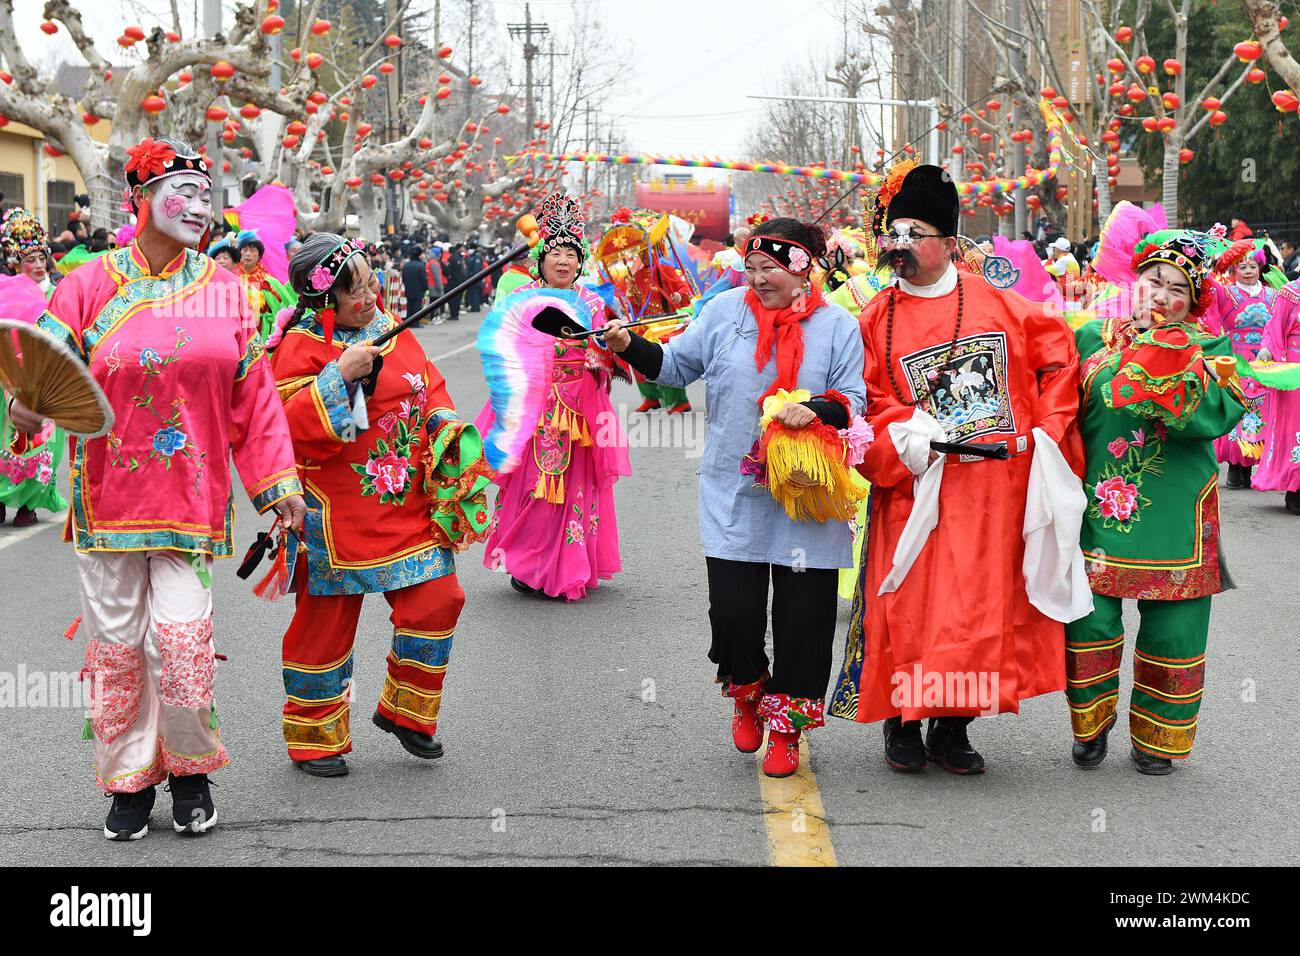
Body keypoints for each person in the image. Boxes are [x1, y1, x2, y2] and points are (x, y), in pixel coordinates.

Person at [13, 136, 304, 840]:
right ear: (140, 200)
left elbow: (253, 400)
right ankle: (129, 781)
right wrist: (27, 402)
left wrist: (277, 485)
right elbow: (42, 367)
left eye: (209, 197)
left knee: (178, 642)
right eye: (185, 193)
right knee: (118, 645)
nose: (201, 209)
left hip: (190, 503)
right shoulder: (85, 283)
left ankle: (191, 770)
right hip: (107, 500)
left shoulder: (230, 290)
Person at [829, 163, 1086, 775]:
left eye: (916, 232)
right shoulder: (874, 318)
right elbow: (863, 403)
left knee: (974, 604)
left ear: (948, 242)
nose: (902, 244)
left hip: (991, 490)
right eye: (896, 232)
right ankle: (901, 719)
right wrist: (910, 437)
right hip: (916, 485)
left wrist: (1045, 434)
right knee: (910, 602)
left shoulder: (1003, 304)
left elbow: (1061, 362)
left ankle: (953, 725)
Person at [605, 217, 867, 778]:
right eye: (750, 268)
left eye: (768, 268)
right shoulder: (724, 312)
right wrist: (631, 346)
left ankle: (787, 729)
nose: (757, 279)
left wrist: (815, 410)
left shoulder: (838, 326)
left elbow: (852, 400)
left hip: (807, 496)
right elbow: (676, 365)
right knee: (734, 615)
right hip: (735, 489)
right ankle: (748, 692)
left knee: (804, 621)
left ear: (802, 269)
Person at [268, 234, 491, 776]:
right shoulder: (298, 345)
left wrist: (444, 428)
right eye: (353, 291)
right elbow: (281, 426)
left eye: (368, 282)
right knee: (325, 624)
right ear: (324, 302)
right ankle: (314, 735)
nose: (368, 296)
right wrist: (337, 378)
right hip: (335, 514)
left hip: (406, 503)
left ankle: (408, 711)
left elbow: (427, 387)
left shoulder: (389, 327)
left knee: (439, 597)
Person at [1067, 207, 1245, 774]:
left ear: (1194, 301)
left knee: (1175, 630)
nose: (1162, 296)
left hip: (1178, 516)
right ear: (1134, 280)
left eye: (1177, 289)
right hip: (1098, 505)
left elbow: (1214, 417)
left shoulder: (1211, 352)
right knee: (1091, 620)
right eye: (1154, 282)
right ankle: (1090, 727)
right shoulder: (1092, 335)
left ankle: (1157, 740)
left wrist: (1167, 376)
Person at [476, 192, 630, 601]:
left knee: (575, 487)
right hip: (535, 408)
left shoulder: (594, 302)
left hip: (579, 411)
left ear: (580, 261)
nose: (564, 261)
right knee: (533, 486)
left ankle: (570, 563)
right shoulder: (521, 301)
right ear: (540, 259)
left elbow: (606, 358)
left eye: (571, 254)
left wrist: (606, 350)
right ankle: (529, 563)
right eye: (556, 253)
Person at [0, 208, 68, 527]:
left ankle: (29, 503)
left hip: (45, 379)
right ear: (16, 262)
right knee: (5, 438)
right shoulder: (5, 291)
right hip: (8, 380)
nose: (39, 265)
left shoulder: (59, 294)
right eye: (31, 259)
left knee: (44, 443)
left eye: (42, 258)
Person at [1201, 243, 1285, 489]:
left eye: (1252, 266)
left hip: (1266, 360)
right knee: (1240, 407)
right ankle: (1237, 468)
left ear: (1260, 267)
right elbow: (1204, 282)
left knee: (1266, 410)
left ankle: (1259, 465)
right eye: (1242, 267)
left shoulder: (1273, 295)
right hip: (1237, 360)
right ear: (1233, 270)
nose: (1248, 271)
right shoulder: (1225, 293)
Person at [1253, 279, 1300, 512]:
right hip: (1293, 371)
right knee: (1295, 428)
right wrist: (1267, 349)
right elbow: (1274, 329)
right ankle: (1295, 488)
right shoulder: (1290, 293)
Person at [401, 245, 428, 323]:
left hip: (408, 288)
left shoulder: (406, 265)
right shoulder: (421, 265)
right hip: (418, 289)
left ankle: (409, 322)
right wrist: (425, 288)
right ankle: (416, 322)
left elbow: (404, 277)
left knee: (409, 305)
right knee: (417, 306)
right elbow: (424, 278)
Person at [444, 245, 465, 321]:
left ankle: (453, 314)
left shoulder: (452, 258)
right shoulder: (459, 258)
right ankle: (456, 313)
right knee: (457, 298)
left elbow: (447, 270)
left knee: (452, 298)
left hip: (452, 281)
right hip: (459, 281)